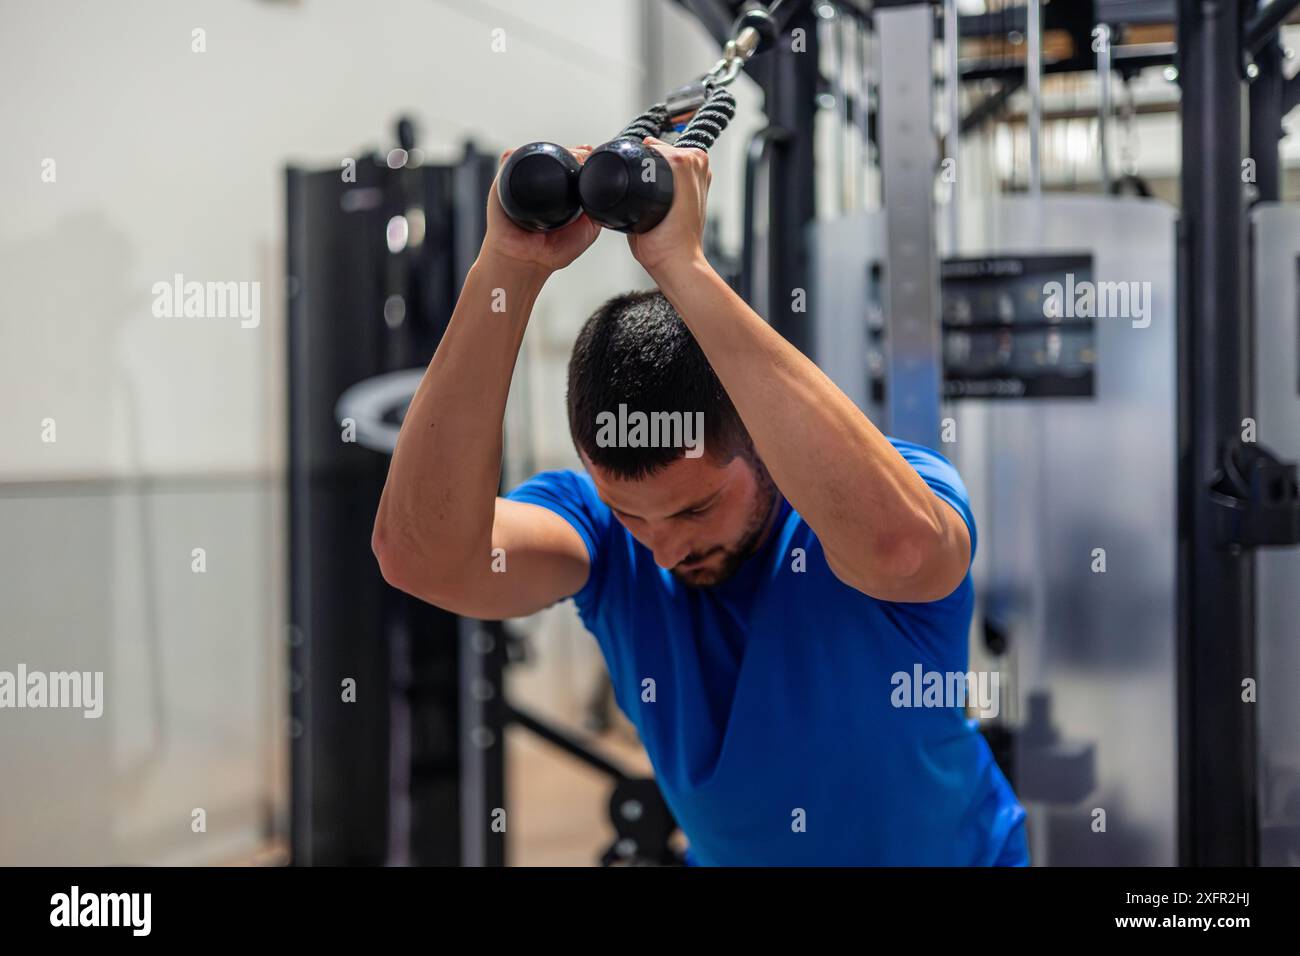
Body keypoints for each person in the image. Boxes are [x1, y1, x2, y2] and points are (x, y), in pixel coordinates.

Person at [372, 137, 1027, 866]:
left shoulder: (884, 495)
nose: (663, 548)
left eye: (693, 510)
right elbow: (421, 557)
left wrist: (683, 267)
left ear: (763, 449)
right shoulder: (598, 533)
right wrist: (509, 268)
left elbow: (901, 550)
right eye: (631, 513)